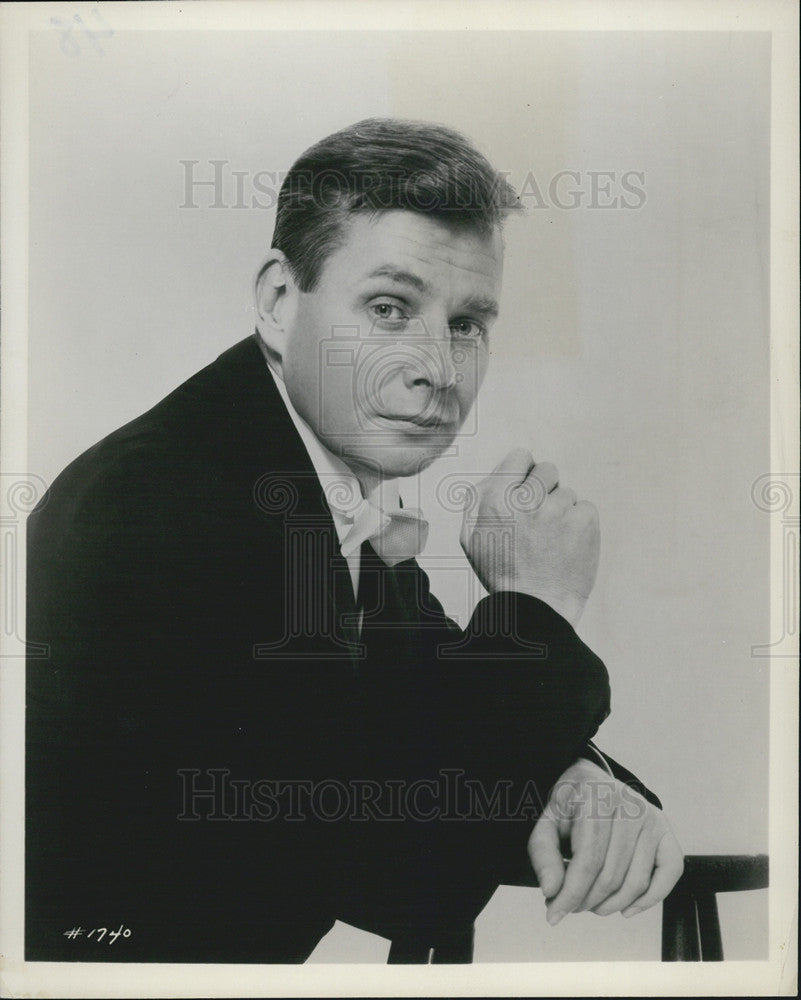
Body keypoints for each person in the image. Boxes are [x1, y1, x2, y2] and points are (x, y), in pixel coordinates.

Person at [25, 118, 683, 963]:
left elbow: (436, 729)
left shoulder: (298, 477)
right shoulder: (175, 503)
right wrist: (532, 607)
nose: (440, 370)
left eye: (468, 323)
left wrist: (583, 780)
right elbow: (409, 865)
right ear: (276, 300)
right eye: (388, 308)